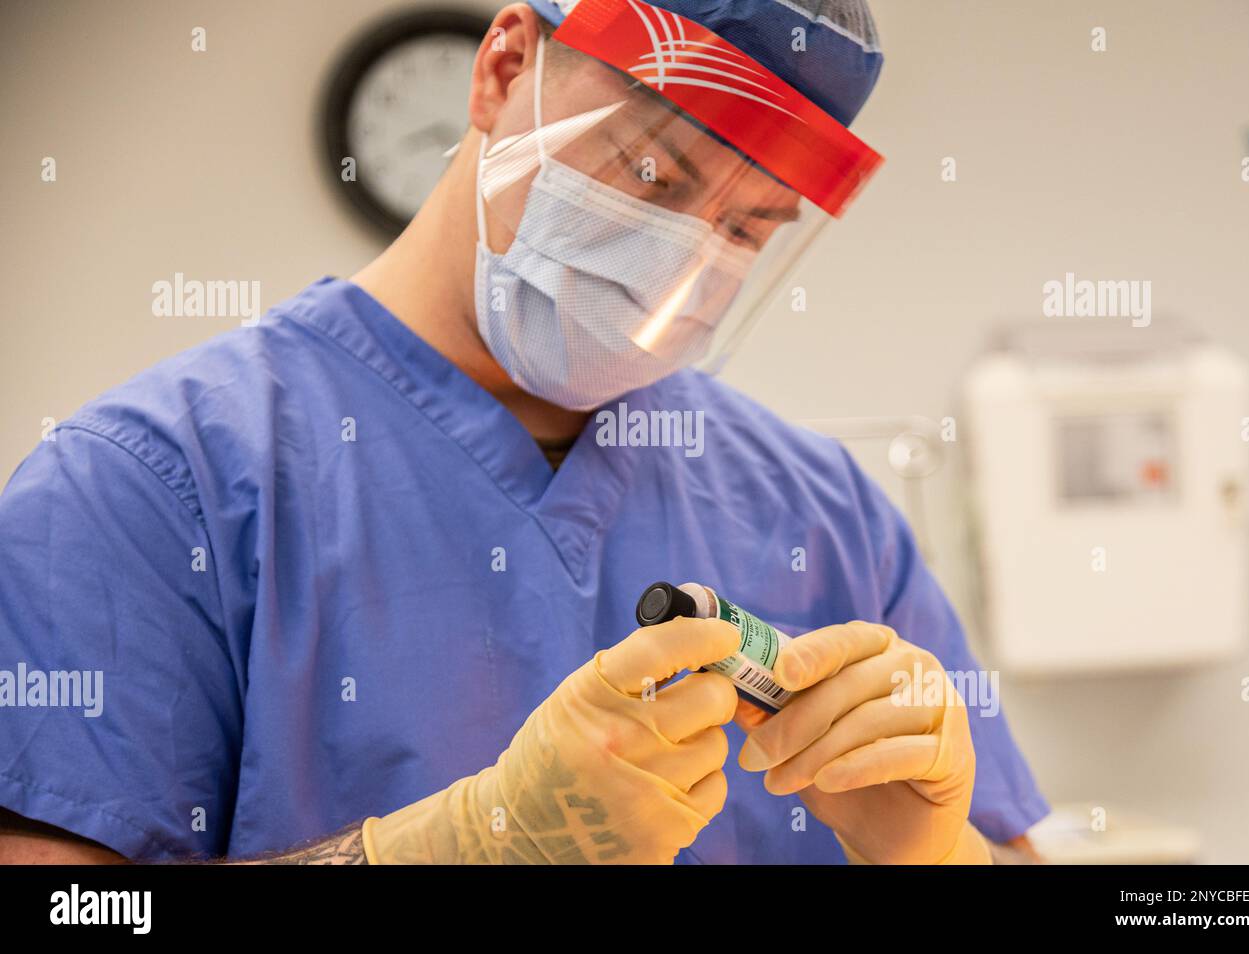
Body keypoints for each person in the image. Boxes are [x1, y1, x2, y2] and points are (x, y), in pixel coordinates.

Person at [0, 0, 1047, 864]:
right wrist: (457, 849)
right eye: (653, 175)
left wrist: (939, 857)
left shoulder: (821, 512)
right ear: (504, 69)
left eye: (744, 227)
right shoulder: (143, 491)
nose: (685, 258)